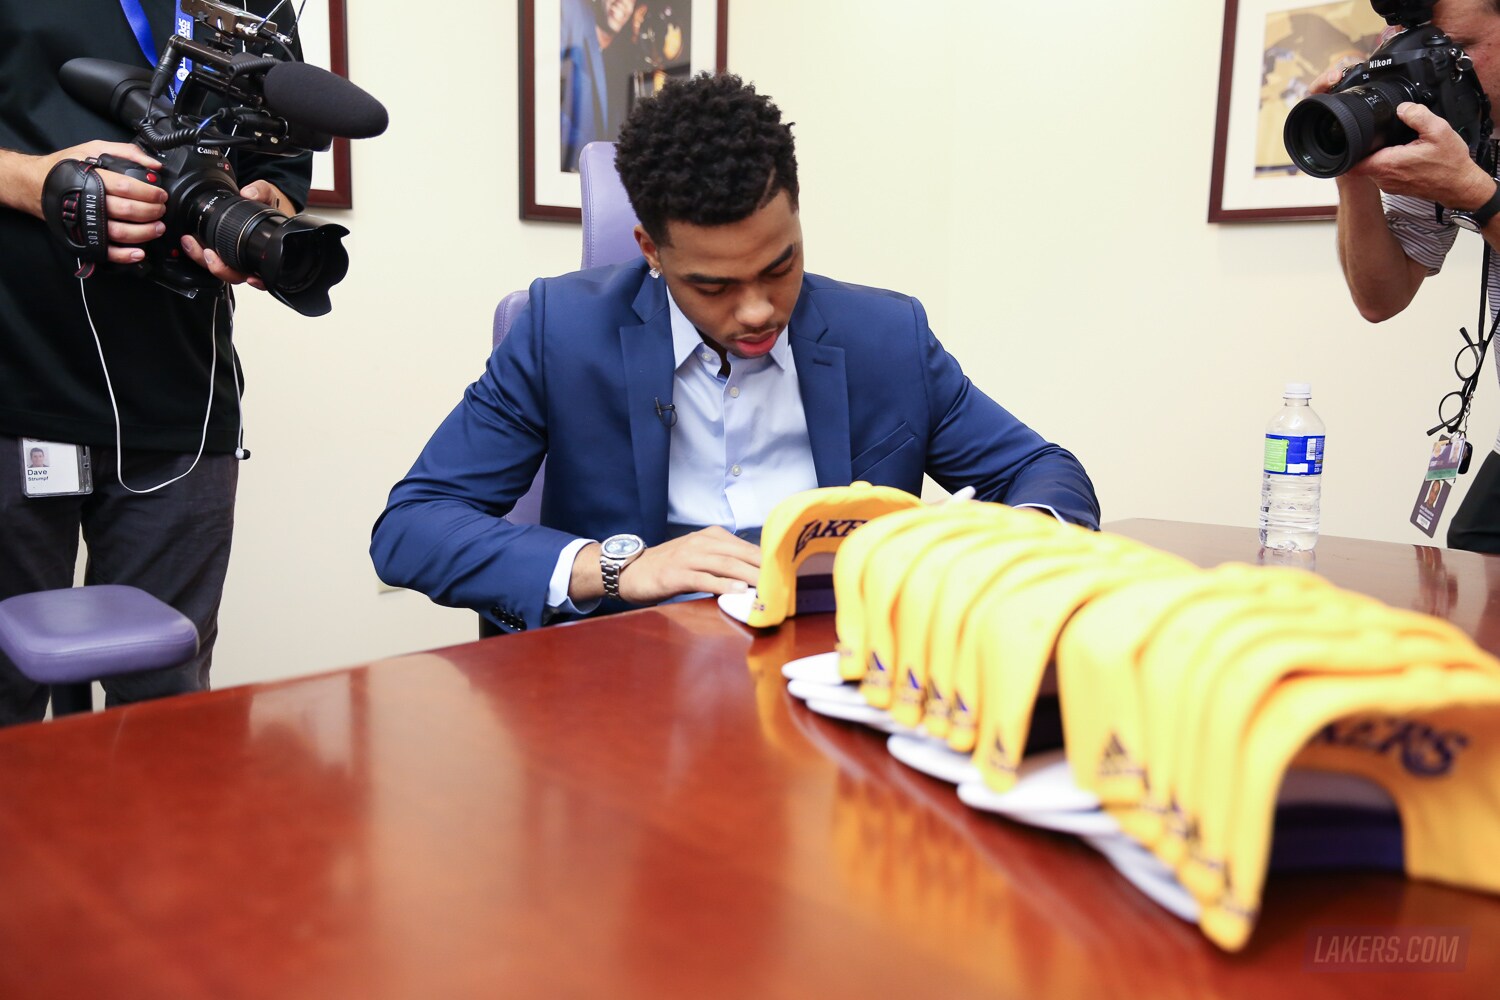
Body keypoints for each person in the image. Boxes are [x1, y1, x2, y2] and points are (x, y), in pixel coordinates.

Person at [371, 72, 1099, 634]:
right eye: (713, 284)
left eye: (780, 266)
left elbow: (1045, 471)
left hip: (836, 677)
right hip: (631, 693)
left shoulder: (887, 335)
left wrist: (1011, 545)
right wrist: (622, 566)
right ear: (651, 251)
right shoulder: (559, 332)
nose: (756, 310)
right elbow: (413, 526)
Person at [0, 1, 312, 725]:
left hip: (183, 397)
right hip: (15, 376)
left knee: (168, 711)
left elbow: (280, 170)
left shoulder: (254, 8)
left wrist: (253, 204)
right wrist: (34, 181)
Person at [1316, 0, 1500, 552]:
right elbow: (1381, 296)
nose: (1434, 64)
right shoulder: (1465, 134)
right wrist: (1350, 166)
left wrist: (1476, 195)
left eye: (1457, 48)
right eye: (1412, 43)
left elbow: (1476, 196)